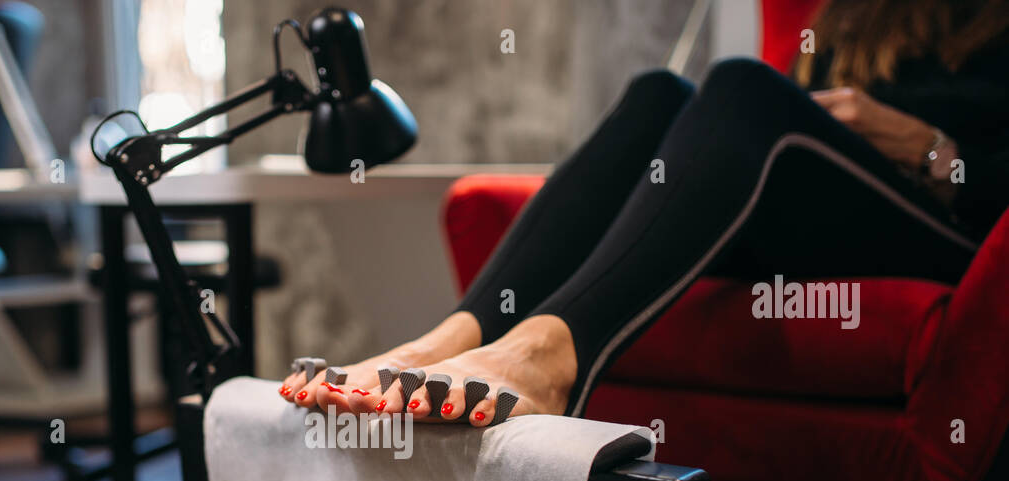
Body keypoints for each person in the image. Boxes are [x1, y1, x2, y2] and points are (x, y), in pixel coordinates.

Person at [279, 0, 1009, 425]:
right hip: (812, 219)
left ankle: (548, 359)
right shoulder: (849, 17)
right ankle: (447, 338)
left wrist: (929, 147)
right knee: (661, 92)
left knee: (744, 88)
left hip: (952, 227)